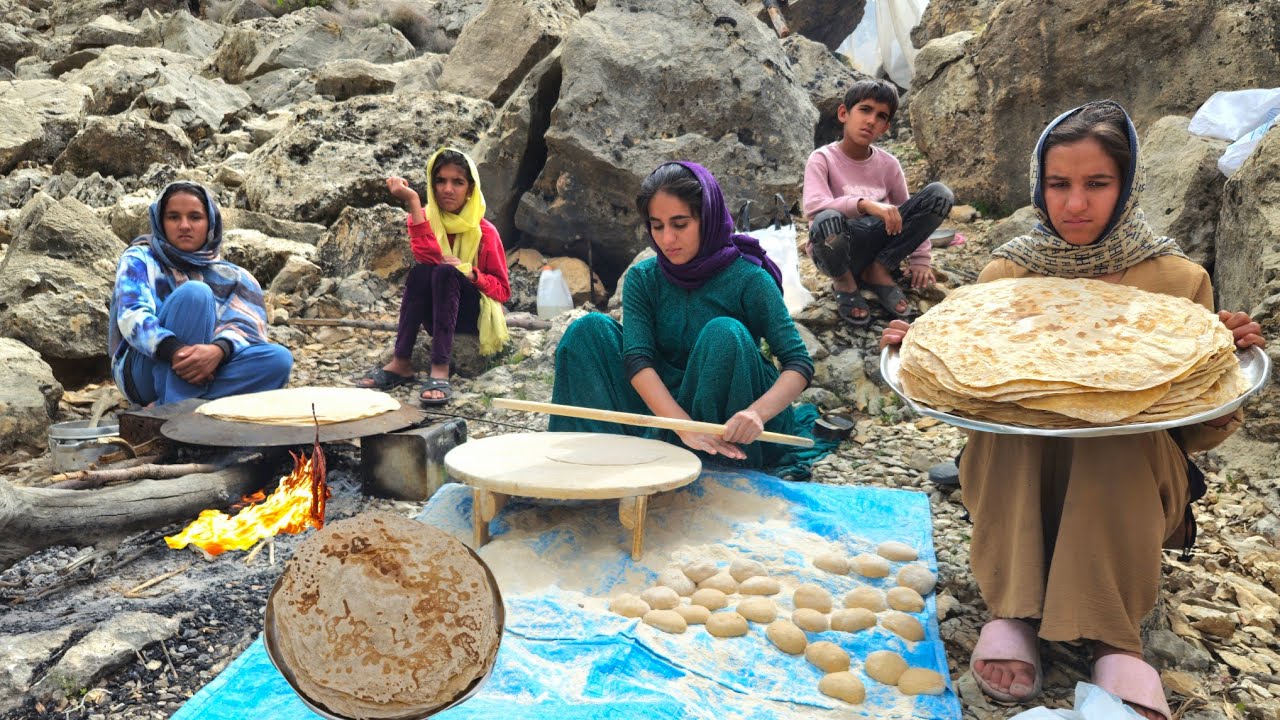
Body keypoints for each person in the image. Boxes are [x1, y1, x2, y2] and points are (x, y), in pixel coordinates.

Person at [880, 101, 1266, 720]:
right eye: (1059, 184)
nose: (1075, 204)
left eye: (1097, 184)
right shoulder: (1006, 272)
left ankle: (1114, 634)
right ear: (1038, 186)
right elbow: (969, 395)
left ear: (1129, 183)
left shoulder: (1177, 280)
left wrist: (1222, 362)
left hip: (1132, 482)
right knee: (1012, 413)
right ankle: (1014, 606)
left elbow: (1192, 435)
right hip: (1018, 475)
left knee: (1113, 422)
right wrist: (926, 349)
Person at [550, 161, 831, 476]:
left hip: (730, 408)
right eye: (657, 226)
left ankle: (713, 460)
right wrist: (681, 425)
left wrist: (755, 415)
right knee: (588, 330)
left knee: (723, 332)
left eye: (680, 224)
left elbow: (798, 364)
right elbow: (637, 359)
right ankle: (587, 462)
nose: (667, 239)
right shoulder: (644, 278)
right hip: (664, 406)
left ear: (707, 218)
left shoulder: (749, 279)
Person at [109, 181, 293, 407]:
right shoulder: (140, 259)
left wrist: (218, 351)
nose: (184, 225)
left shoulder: (234, 276)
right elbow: (132, 316)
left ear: (210, 223)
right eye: (173, 217)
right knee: (195, 293)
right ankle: (178, 410)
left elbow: (248, 328)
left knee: (278, 361)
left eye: (195, 217)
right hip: (145, 367)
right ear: (160, 222)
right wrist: (176, 351)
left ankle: (166, 407)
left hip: (208, 368)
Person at [357, 148, 510, 406]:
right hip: (438, 312)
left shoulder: (485, 231)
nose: (447, 189)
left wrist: (472, 273)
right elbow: (427, 256)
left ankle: (440, 367)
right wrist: (414, 201)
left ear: (470, 189)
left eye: (458, 182)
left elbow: (503, 291)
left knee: (447, 272)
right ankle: (401, 361)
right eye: (440, 181)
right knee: (422, 272)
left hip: (471, 316)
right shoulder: (424, 218)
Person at [803, 79, 954, 326]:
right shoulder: (822, 159)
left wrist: (920, 260)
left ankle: (879, 270)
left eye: (881, 116)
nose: (871, 120)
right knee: (826, 218)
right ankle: (844, 280)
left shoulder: (889, 165)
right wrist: (864, 205)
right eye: (865, 110)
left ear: (885, 127)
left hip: (879, 246)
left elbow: (909, 215)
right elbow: (815, 207)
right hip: (837, 249)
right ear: (844, 113)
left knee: (940, 195)